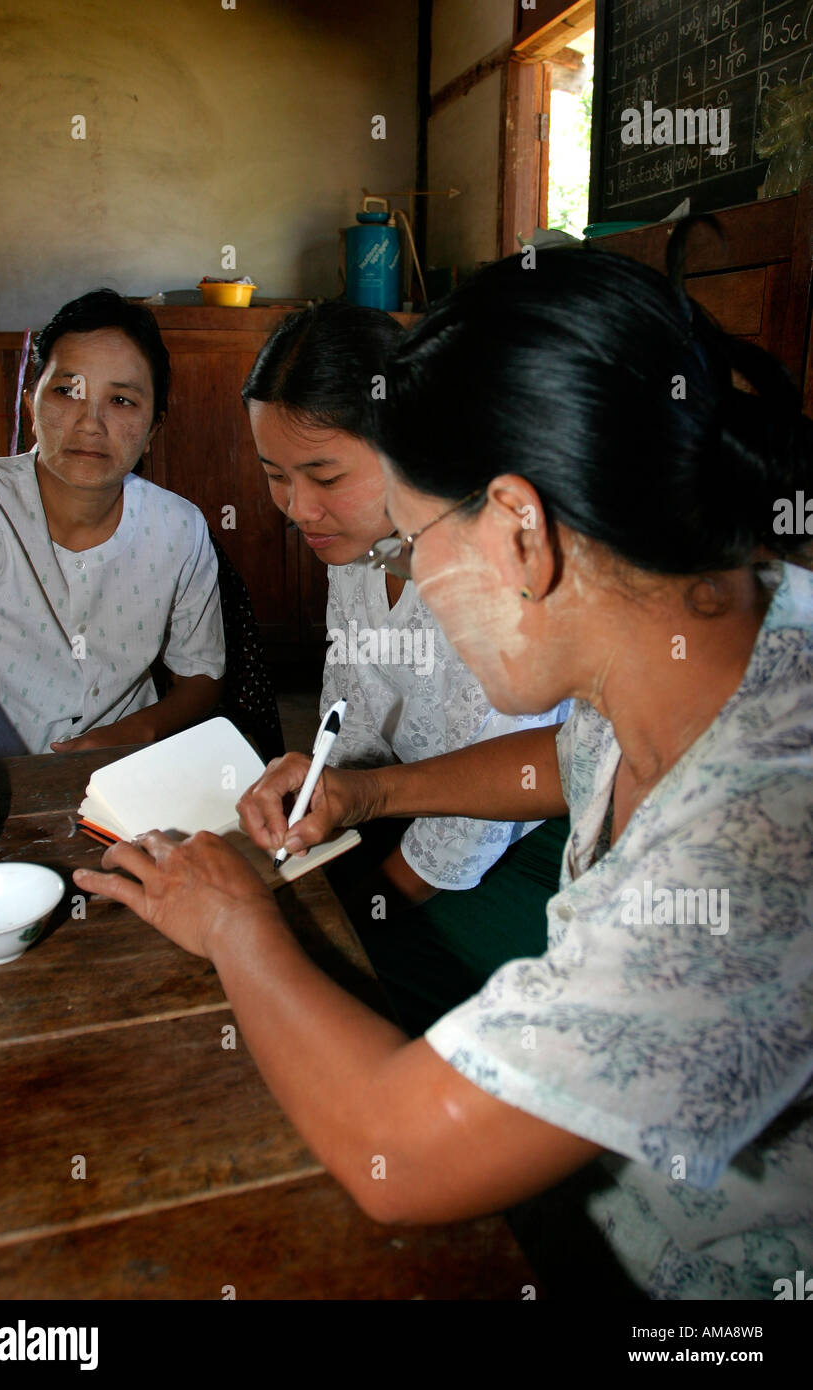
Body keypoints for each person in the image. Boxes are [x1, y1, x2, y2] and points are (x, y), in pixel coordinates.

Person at [74, 237, 813, 1299]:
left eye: (415, 535)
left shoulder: (752, 843)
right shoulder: (709, 625)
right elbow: (563, 761)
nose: (407, 570)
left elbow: (403, 1155)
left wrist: (240, 920)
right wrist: (367, 791)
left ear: (517, 529)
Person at [240, 300, 570, 1032]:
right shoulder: (358, 541)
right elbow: (347, 704)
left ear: (408, 442)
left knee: (351, 988)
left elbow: (493, 800)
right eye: (275, 476)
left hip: (523, 839)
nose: (299, 509)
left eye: (325, 475)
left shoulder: (483, 559)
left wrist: (360, 902)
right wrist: (322, 792)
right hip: (401, 805)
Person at [0, 289, 225, 850]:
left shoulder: (180, 528)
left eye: (122, 401)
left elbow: (202, 675)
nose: (89, 422)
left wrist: (132, 733)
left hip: (129, 786)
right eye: (67, 391)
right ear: (31, 401)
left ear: (154, 426)